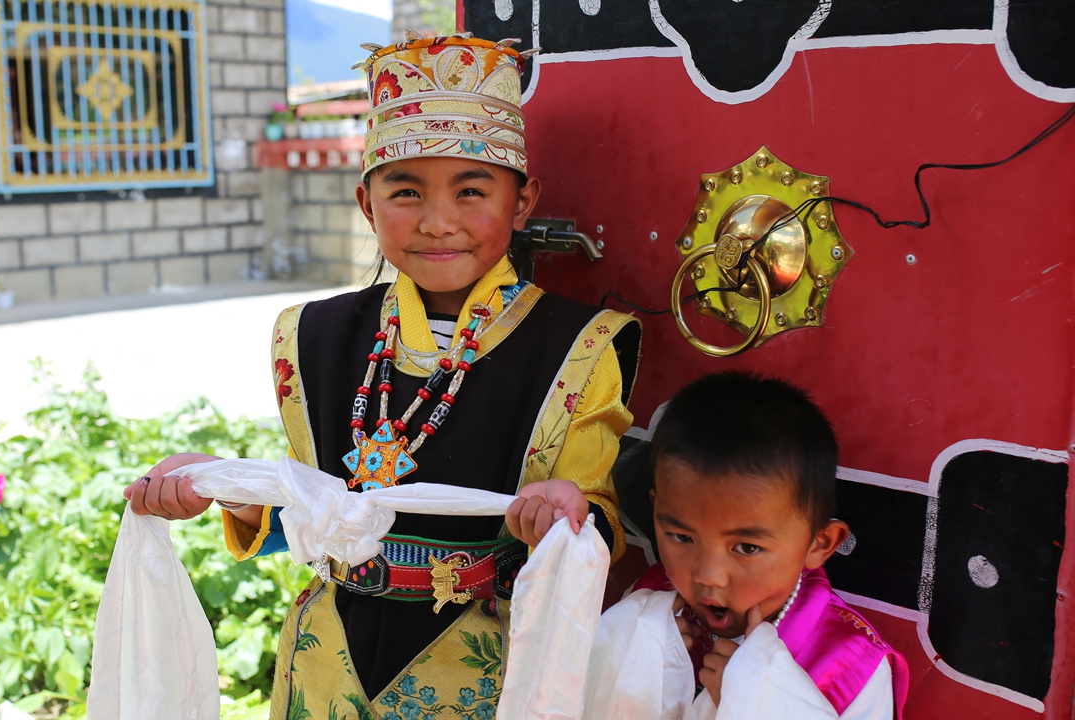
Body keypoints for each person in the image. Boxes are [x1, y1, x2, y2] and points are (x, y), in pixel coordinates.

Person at [123, 31, 642, 719]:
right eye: (405, 191)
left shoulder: (578, 346)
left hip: (491, 665)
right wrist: (225, 486)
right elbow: (311, 514)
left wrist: (570, 514)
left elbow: (600, 523)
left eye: (470, 190)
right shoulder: (314, 335)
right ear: (367, 204)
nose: (437, 221)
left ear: (521, 203)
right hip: (328, 660)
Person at [599, 371, 908, 719]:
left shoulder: (850, 667)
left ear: (819, 543)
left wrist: (762, 706)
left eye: (746, 547)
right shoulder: (648, 608)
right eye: (682, 537)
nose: (709, 576)